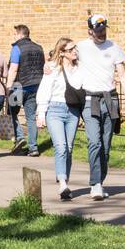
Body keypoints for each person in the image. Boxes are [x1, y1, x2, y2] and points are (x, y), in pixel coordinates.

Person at [75, 14, 125, 201]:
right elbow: (62, 56)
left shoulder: (114, 48)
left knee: (106, 146)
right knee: (95, 142)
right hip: (90, 99)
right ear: (90, 31)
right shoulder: (81, 47)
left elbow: (123, 75)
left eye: (104, 29)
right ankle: (95, 184)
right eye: (98, 30)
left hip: (110, 99)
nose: (102, 32)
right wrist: (49, 68)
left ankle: (100, 180)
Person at [36, 37, 84, 200]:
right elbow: (44, 90)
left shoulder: (80, 68)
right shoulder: (52, 68)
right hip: (54, 109)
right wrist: (41, 113)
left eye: (75, 48)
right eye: (70, 50)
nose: (74, 52)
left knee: (69, 148)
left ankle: (64, 179)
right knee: (61, 146)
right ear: (62, 53)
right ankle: (62, 183)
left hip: (73, 111)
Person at [6, 24, 45, 157]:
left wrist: (8, 86)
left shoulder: (16, 48)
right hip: (36, 86)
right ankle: (33, 148)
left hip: (18, 86)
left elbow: (13, 69)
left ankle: (20, 137)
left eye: (15, 34)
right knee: (31, 118)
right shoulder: (39, 48)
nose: (14, 36)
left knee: (12, 113)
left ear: (21, 35)